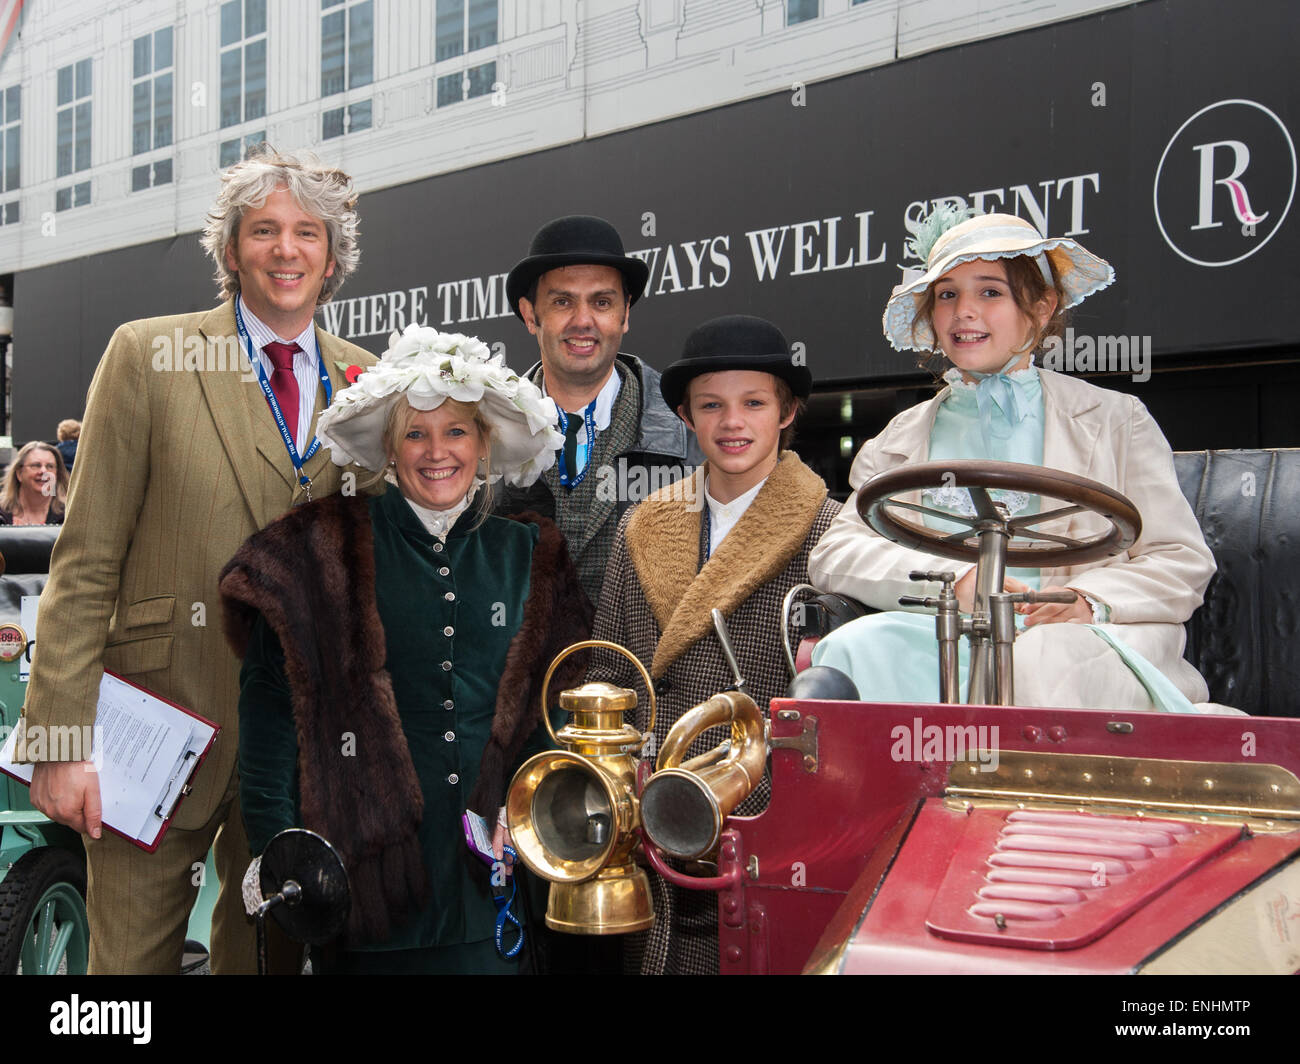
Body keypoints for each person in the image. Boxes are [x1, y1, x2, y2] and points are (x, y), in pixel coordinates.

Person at [19, 145, 375, 974]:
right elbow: (85, 559)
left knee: (271, 961)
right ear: (231, 251)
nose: (286, 250)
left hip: (299, 742)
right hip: (154, 732)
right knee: (126, 977)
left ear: (333, 257)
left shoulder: (368, 379)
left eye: (307, 233)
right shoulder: (148, 356)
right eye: (263, 231)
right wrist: (61, 740)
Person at [222, 328, 591, 974]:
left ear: (483, 443)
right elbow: (272, 718)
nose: (437, 451)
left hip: (496, 903)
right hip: (368, 906)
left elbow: (554, 719)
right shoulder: (319, 551)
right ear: (389, 449)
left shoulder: (531, 557)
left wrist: (533, 807)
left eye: (456, 431)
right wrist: (283, 853)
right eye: (416, 433)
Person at [809, 210, 1217, 711]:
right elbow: (836, 554)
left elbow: (1180, 559)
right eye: (947, 293)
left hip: (1082, 642)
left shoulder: (1116, 420)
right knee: (853, 647)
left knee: (1037, 657)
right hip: (948, 637)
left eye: (990, 292)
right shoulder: (900, 436)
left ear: (1042, 308)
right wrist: (953, 580)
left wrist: (1089, 600)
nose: (964, 312)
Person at [590, 314, 840, 974]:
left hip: (767, 834)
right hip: (655, 829)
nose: (733, 422)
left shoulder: (834, 536)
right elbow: (610, 673)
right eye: (711, 405)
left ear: (786, 412)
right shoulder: (641, 527)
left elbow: (844, 715)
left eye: (754, 402)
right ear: (685, 415)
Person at [496, 214, 702, 602]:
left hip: (642, 664)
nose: (583, 321)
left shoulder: (692, 435)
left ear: (625, 314)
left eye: (602, 302)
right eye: (562, 301)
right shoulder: (482, 435)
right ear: (529, 315)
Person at [0, 442, 68, 525]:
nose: (44, 471)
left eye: (50, 466)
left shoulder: (68, 514)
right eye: (36, 465)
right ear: (19, 473)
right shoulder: (2, 513)